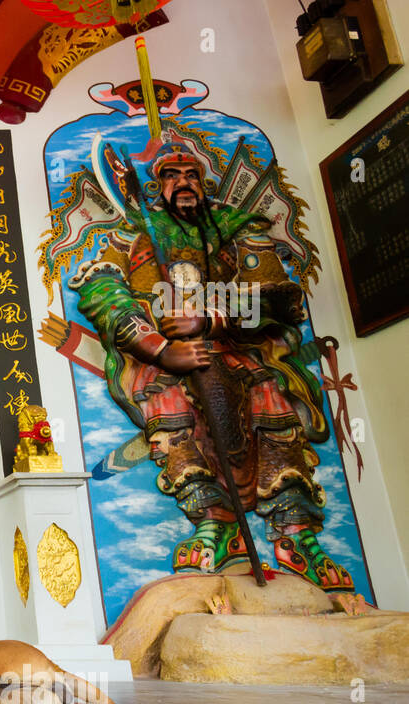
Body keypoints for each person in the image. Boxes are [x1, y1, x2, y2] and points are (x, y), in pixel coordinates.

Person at [70, 139, 352, 590]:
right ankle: (215, 521)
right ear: (156, 184)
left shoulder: (236, 227)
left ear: (203, 182)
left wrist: (215, 316)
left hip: (238, 346)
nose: (183, 183)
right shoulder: (135, 231)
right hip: (169, 353)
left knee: (269, 394)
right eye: (170, 175)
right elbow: (100, 288)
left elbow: (283, 299)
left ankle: (295, 532)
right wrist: (160, 348)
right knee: (163, 398)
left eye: (191, 175)